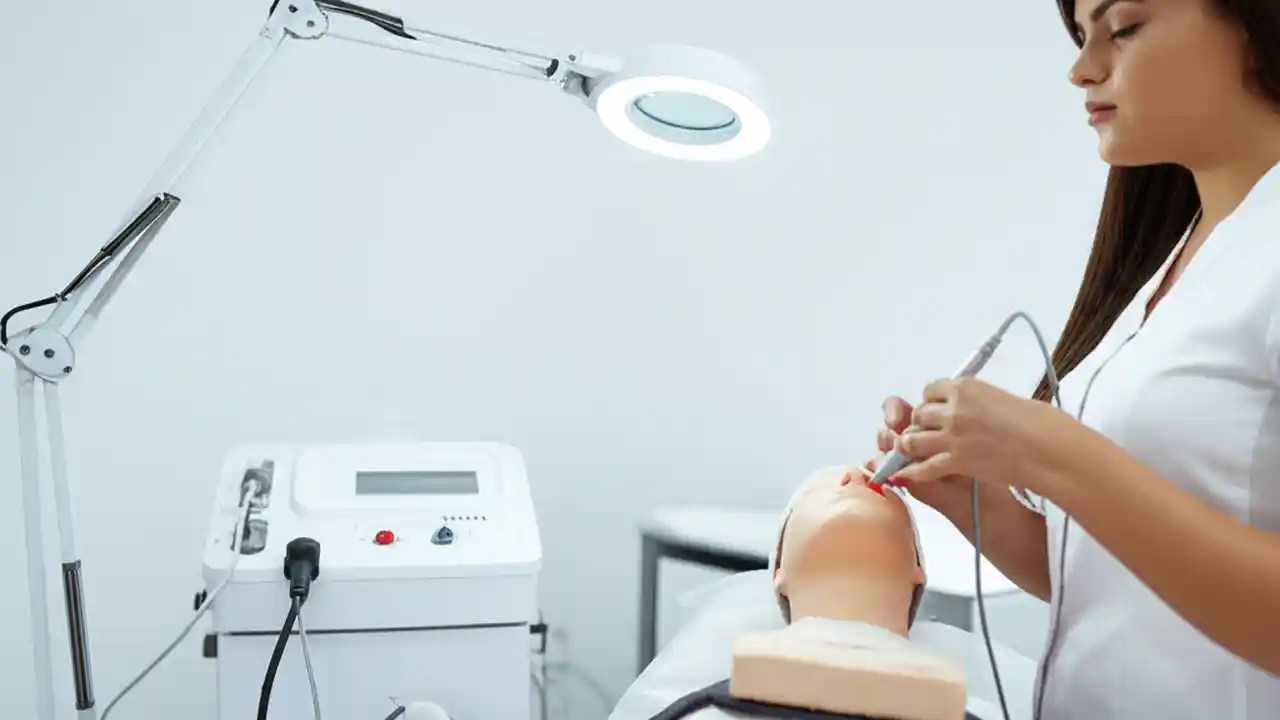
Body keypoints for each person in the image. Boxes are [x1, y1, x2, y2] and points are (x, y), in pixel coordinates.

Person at [870, 1, 1280, 718]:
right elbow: (1109, 580)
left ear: (1251, 23)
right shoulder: (1176, 261)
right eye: (1081, 36)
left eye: (1121, 29)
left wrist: (1051, 453)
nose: (1082, 68)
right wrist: (979, 501)